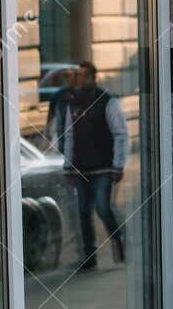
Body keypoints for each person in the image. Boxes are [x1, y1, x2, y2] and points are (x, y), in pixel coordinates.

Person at [46, 61, 127, 270]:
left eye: (83, 75)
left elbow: (120, 133)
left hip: (103, 167)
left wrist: (118, 165)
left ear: (93, 77)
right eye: (78, 75)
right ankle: (89, 256)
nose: (79, 79)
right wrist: (68, 165)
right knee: (83, 211)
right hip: (81, 167)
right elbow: (69, 136)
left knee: (102, 206)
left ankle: (119, 240)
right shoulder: (72, 103)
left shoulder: (106, 101)